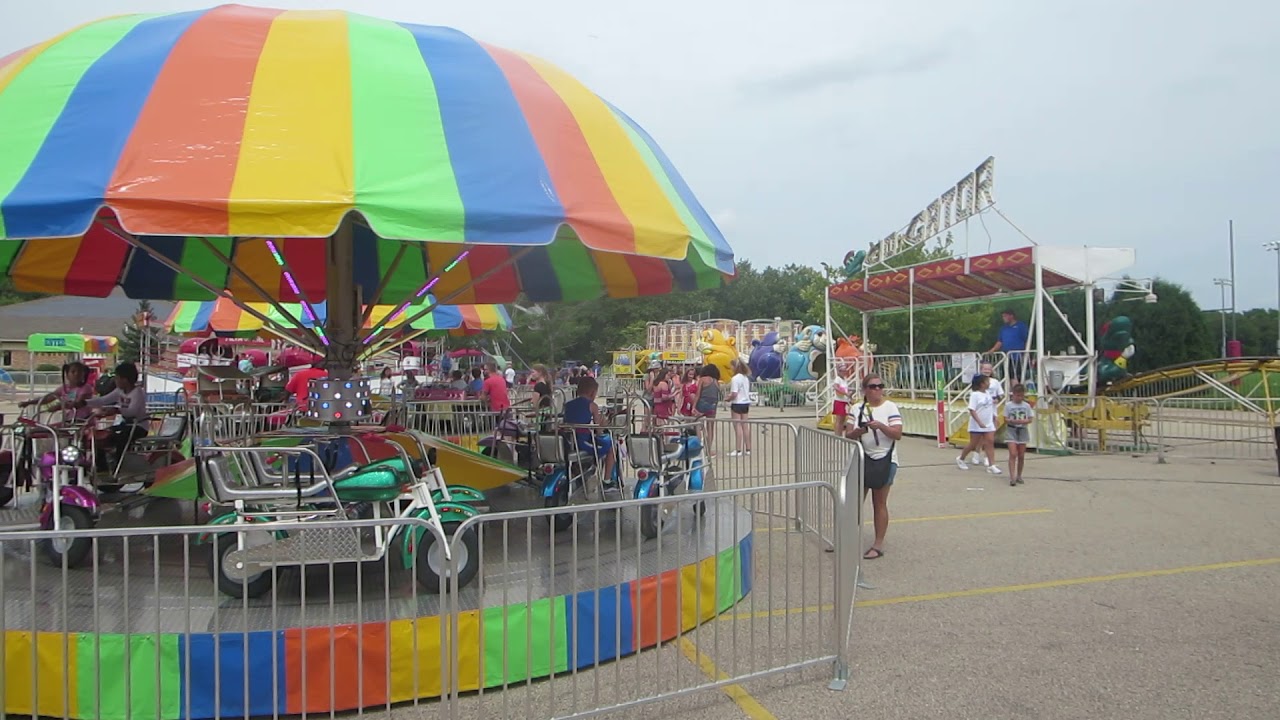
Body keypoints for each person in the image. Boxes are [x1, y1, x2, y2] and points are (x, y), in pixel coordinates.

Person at [843, 374, 903, 560]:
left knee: (879, 502)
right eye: (873, 386)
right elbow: (848, 434)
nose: (877, 389)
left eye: (880, 386)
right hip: (863, 457)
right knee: (854, 502)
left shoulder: (890, 407)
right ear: (865, 390)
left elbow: (898, 433)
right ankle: (847, 539)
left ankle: (878, 544)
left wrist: (881, 427)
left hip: (885, 458)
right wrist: (859, 431)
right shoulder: (856, 408)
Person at [84, 362, 148, 472]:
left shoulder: (138, 393)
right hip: (125, 425)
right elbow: (103, 400)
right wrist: (85, 403)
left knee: (121, 440)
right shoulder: (119, 391)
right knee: (101, 437)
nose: (115, 381)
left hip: (139, 426)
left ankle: (120, 467)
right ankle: (102, 469)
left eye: (117, 378)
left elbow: (131, 411)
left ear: (125, 379)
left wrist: (116, 410)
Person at [562, 376, 616, 486]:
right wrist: (603, 423)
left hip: (568, 440)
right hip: (582, 441)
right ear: (592, 392)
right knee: (611, 447)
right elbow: (599, 431)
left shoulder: (568, 405)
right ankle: (607, 480)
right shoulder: (592, 406)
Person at [22, 361, 95, 423]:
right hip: (67, 420)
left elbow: (78, 403)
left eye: (80, 372)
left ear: (83, 375)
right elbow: (48, 398)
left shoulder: (86, 388)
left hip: (82, 420)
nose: (76, 374)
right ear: (67, 375)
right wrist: (29, 403)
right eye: (73, 372)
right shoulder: (63, 388)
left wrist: (60, 406)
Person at [957, 375, 1000, 474]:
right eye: (987, 382)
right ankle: (961, 458)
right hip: (977, 424)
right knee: (973, 444)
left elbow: (990, 407)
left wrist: (994, 417)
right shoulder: (975, 395)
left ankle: (991, 465)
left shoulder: (988, 393)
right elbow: (972, 409)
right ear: (981, 384)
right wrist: (979, 422)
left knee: (990, 442)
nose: (989, 383)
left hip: (988, 423)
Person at [1003, 384, 1034, 486]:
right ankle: (1012, 477)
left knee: (1021, 455)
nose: (1019, 398)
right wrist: (1011, 420)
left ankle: (1019, 475)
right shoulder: (1008, 405)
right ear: (1013, 395)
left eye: (1021, 396)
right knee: (1013, 453)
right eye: (1017, 395)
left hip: (1022, 430)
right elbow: (1005, 419)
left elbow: (1030, 418)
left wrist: (1024, 421)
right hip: (1011, 429)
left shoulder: (1026, 406)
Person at [988, 309, 1029, 383]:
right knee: (1006, 375)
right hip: (1006, 356)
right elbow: (1000, 342)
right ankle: (1008, 391)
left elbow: (1026, 340)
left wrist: (1026, 353)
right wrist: (992, 350)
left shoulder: (1021, 326)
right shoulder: (1003, 328)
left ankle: (1016, 391)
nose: (1003, 318)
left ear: (1011, 316)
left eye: (1005, 316)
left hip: (1017, 356)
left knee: (1015, 375)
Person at [695, 364, 722, 457]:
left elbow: (698, 394)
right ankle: (709, 450)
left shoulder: (703, 380)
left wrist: (694, 406)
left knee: (698, 425)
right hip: (712, 405)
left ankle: (698, 447)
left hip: (702, 403)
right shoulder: (716, 382)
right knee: (710, 427)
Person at [727, 360, 752, 457]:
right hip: (745, 402)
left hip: (737, 403)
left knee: (737, 426)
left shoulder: (735, 378)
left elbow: (734, 393)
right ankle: (748, 448)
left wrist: (728, 398)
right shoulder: (745, 378)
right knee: (745, 426)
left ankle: (738, 450)